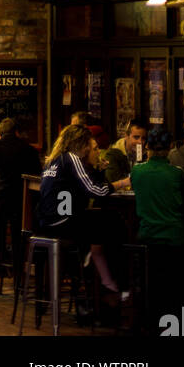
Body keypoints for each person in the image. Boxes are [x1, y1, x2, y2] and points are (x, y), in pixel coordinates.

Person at [37, 124, 129, 304]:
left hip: (46, 223)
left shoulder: (55, 160)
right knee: (115, 221)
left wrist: (97, 169)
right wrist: (122, 183)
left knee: (102, 223)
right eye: (92, 147)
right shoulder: (72, 158)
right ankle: (117, 285)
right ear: (81, 144)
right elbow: (95, 190)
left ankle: (101, 277)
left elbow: (79, 187)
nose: (94, 150)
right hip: (64, 223)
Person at [130, 128, 184, 327]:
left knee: (152, 287)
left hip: (148, 237)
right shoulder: (177, 174)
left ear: (147, 147)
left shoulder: (137, 172)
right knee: (176, 289)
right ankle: (177, 326)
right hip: (175, 238)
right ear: (170, 148)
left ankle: (150, 324)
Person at [0, 119, 42, 276]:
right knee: (19, 237)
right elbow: (37, 173)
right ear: (17, 132)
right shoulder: (29, 150)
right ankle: (19, 270)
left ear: (0, 133)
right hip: (22, 201)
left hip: (0, 201)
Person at [104, 118, 147, 183]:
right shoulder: (113, 155)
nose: (140, 142)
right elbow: (112, 180)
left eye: (143, 138)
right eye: (136, 137)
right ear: (126, 136)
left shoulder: (147, 155)